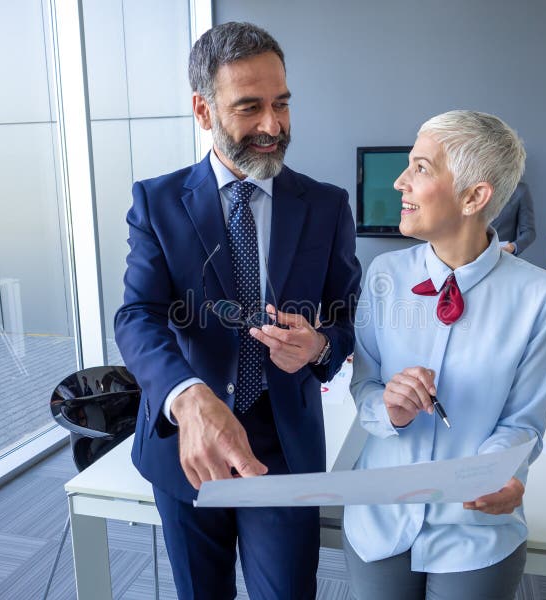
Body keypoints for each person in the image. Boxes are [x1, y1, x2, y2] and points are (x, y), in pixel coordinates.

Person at [114, 22, 361, 600]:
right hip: (186, 444)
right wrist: (188, 394)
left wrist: (322, 345)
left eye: (281, 105)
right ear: (204, 111)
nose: (272, 126)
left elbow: (348, 317)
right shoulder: (156, 201)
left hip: (283, 445)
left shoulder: (326, 205)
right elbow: (138, 315)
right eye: (249, 108)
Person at [343, 110, 546, 600]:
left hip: (474, 526)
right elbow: (363, 386)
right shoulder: (383, 274)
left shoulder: (540, 297)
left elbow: (523, 422)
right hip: (380, 512)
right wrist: (390, 407)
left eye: (421, 168)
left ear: (474, 197)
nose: (400, 181)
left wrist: (495, 472)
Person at [490, 180, 536, 255]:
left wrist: (513, 246)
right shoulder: (473, 186)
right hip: (471, 256)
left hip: (502, 256)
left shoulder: (520, 190)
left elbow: (529, 232)